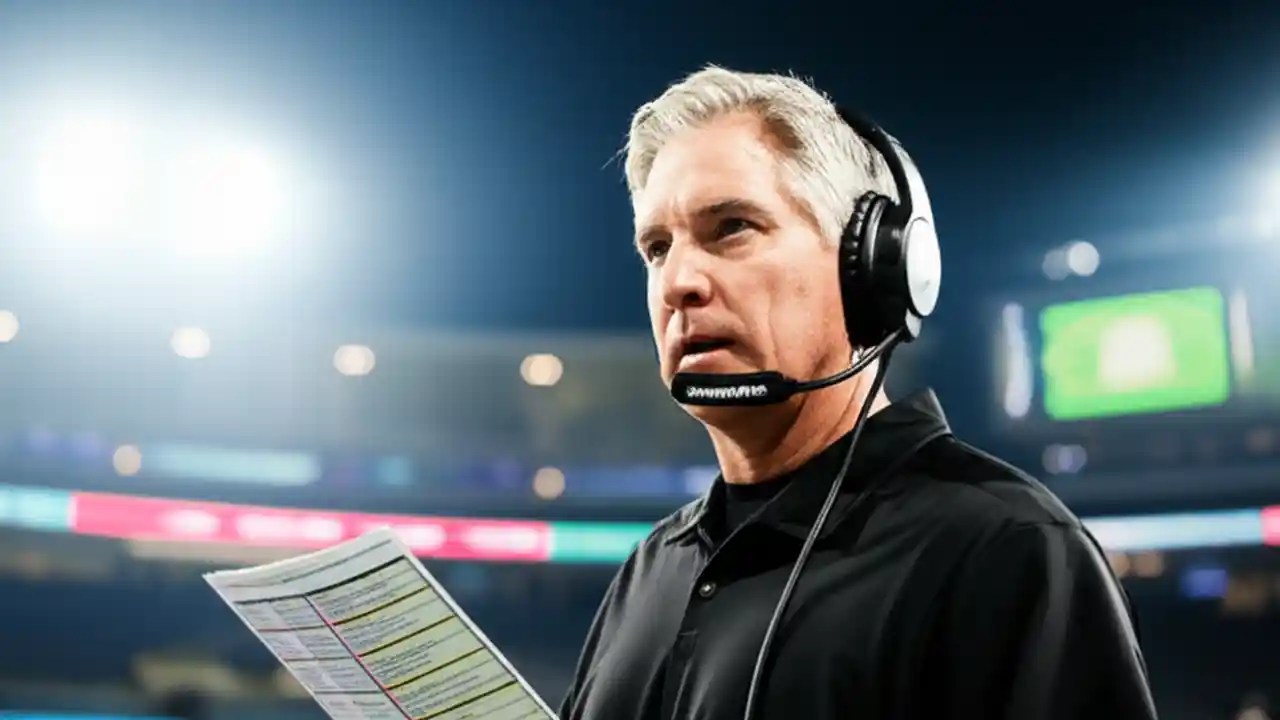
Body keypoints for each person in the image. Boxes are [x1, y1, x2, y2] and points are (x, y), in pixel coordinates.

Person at [558, 65, 1159, 720]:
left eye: (731, 227)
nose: (678, 282)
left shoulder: (1005, 549)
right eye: (657, 246)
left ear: (867, 265)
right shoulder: (648, 572)